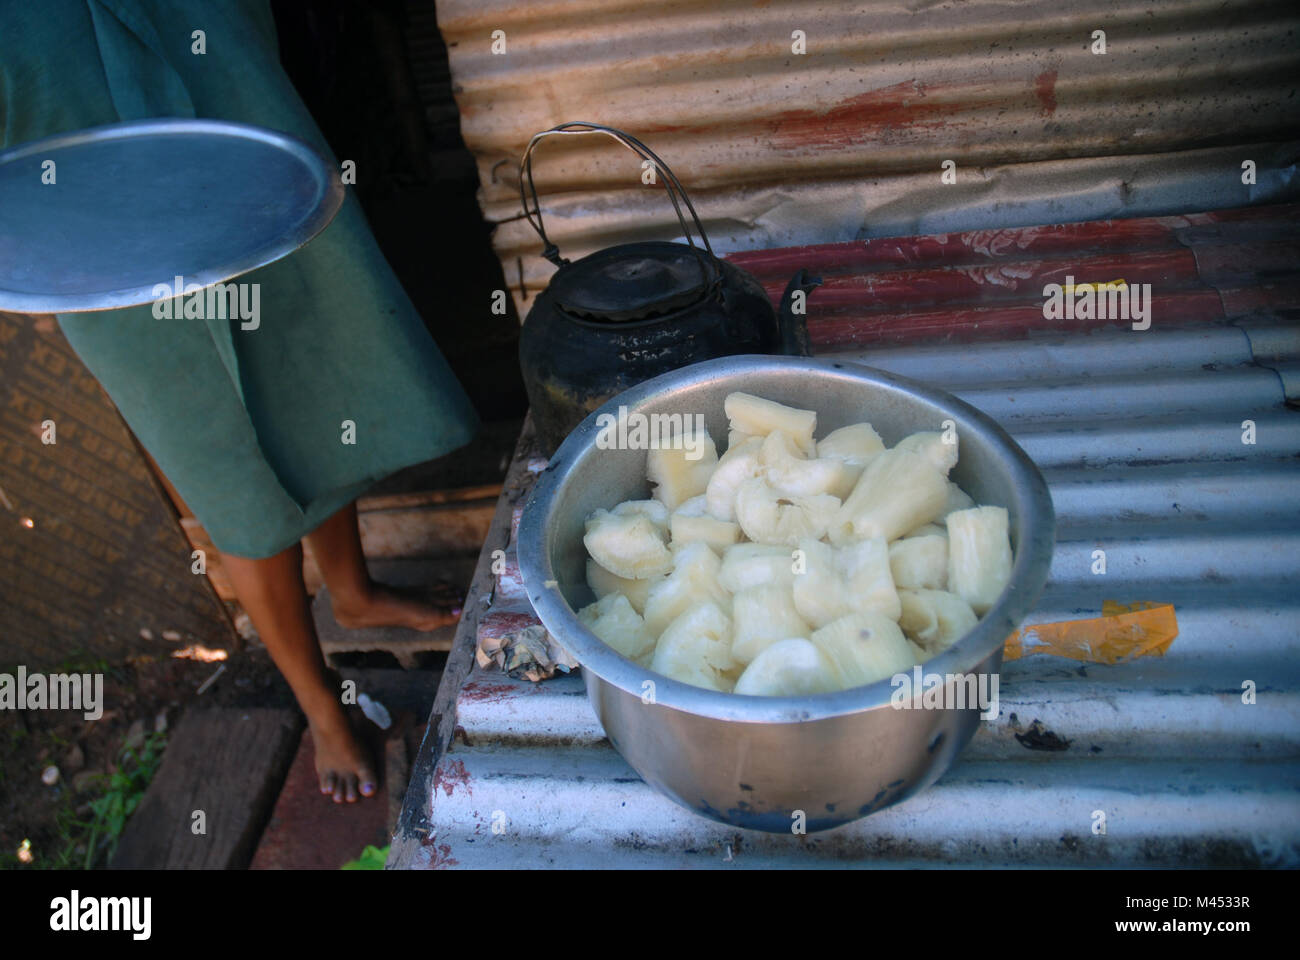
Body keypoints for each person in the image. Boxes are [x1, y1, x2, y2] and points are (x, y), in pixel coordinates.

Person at [0, 0, 479, 802]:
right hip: (92, 232)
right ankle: (319, 702)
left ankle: (353, 595)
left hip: (247, 138)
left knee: (314, 390)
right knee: (226, 471)